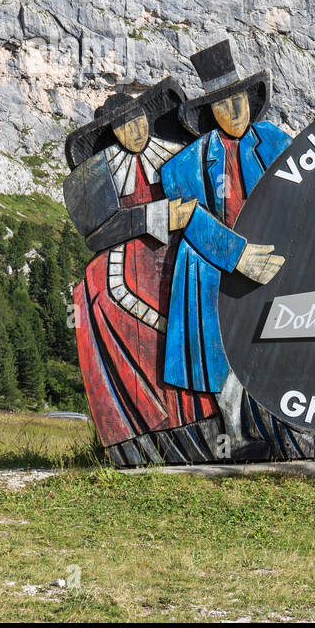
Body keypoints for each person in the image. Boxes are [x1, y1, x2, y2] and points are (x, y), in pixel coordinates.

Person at [63, 78, 213, 449]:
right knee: (102, 296)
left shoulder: (180, 151)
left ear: (148, 117)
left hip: (176, 256)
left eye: (138, 120)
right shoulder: (100, 171)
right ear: (112, 132)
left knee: (193, 316)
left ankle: (200, 418)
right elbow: (96, 233)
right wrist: (154, 217)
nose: (134, 131)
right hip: (124, 263)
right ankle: (143, 423)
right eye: (124, 125)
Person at [161, 40, 290, 436]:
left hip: (273, 256)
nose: (235, 112)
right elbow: (188, 218)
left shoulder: (275, 142)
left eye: (240, 101)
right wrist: (237, 254)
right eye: (224, 105)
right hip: (218, 266)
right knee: (222, 351)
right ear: (210, 112)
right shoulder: (186, 164)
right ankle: (232, 428)